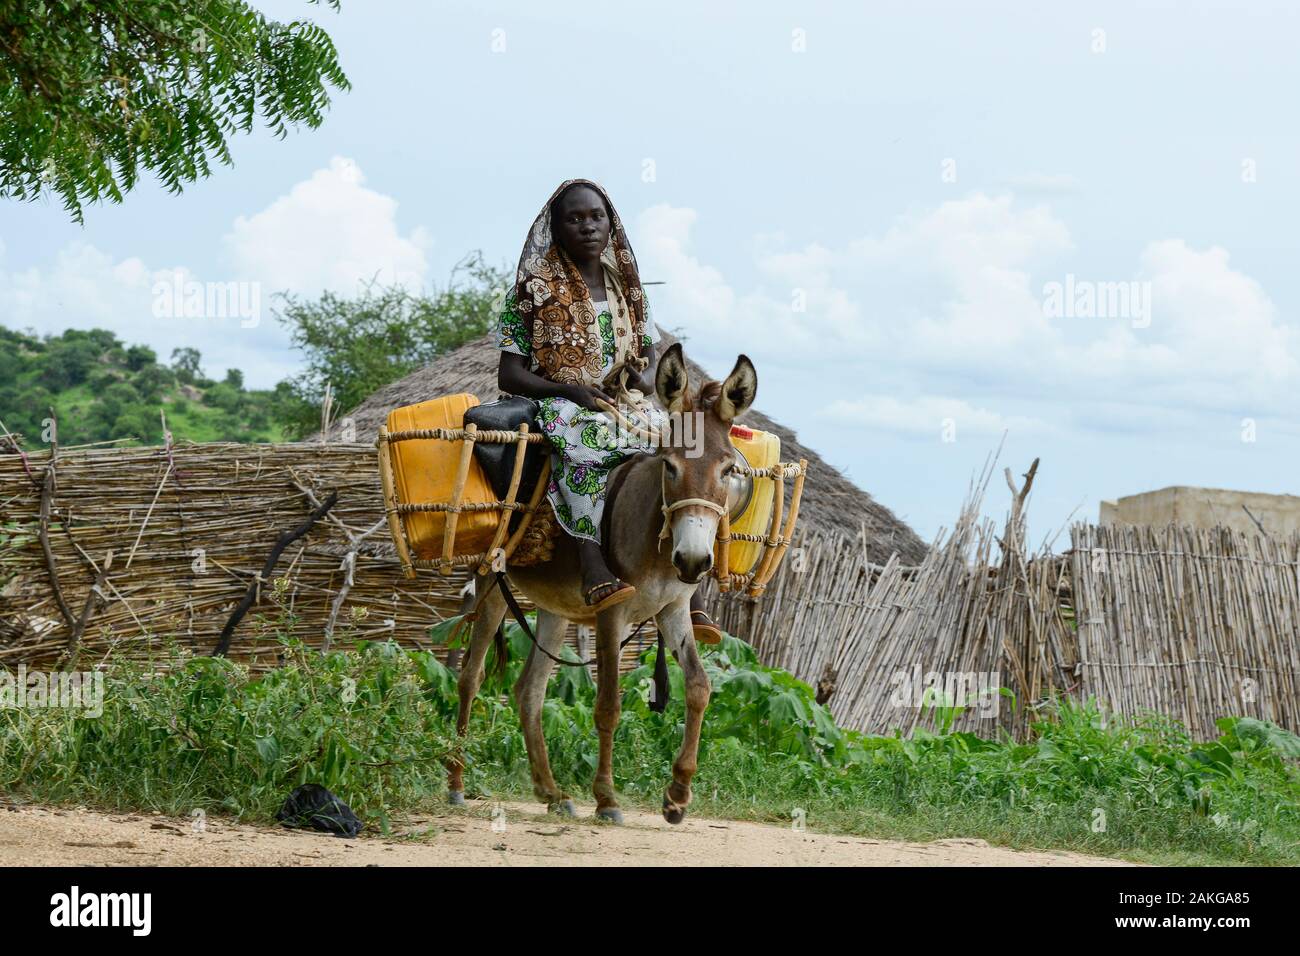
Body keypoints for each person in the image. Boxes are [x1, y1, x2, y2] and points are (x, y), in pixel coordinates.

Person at [495, 178, 723, 642]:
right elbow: (509, 374)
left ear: (611, 223)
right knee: (584, 442)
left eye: (596, 217)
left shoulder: (630, 288)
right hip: (560, 404)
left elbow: (649, 355)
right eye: (574, 219)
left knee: (685, 444)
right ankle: (591, 562)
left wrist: (643, 378)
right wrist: (570, 391)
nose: (587, 227)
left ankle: (688, 589)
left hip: (626, 403)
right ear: (554, 228)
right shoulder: (532, 291)